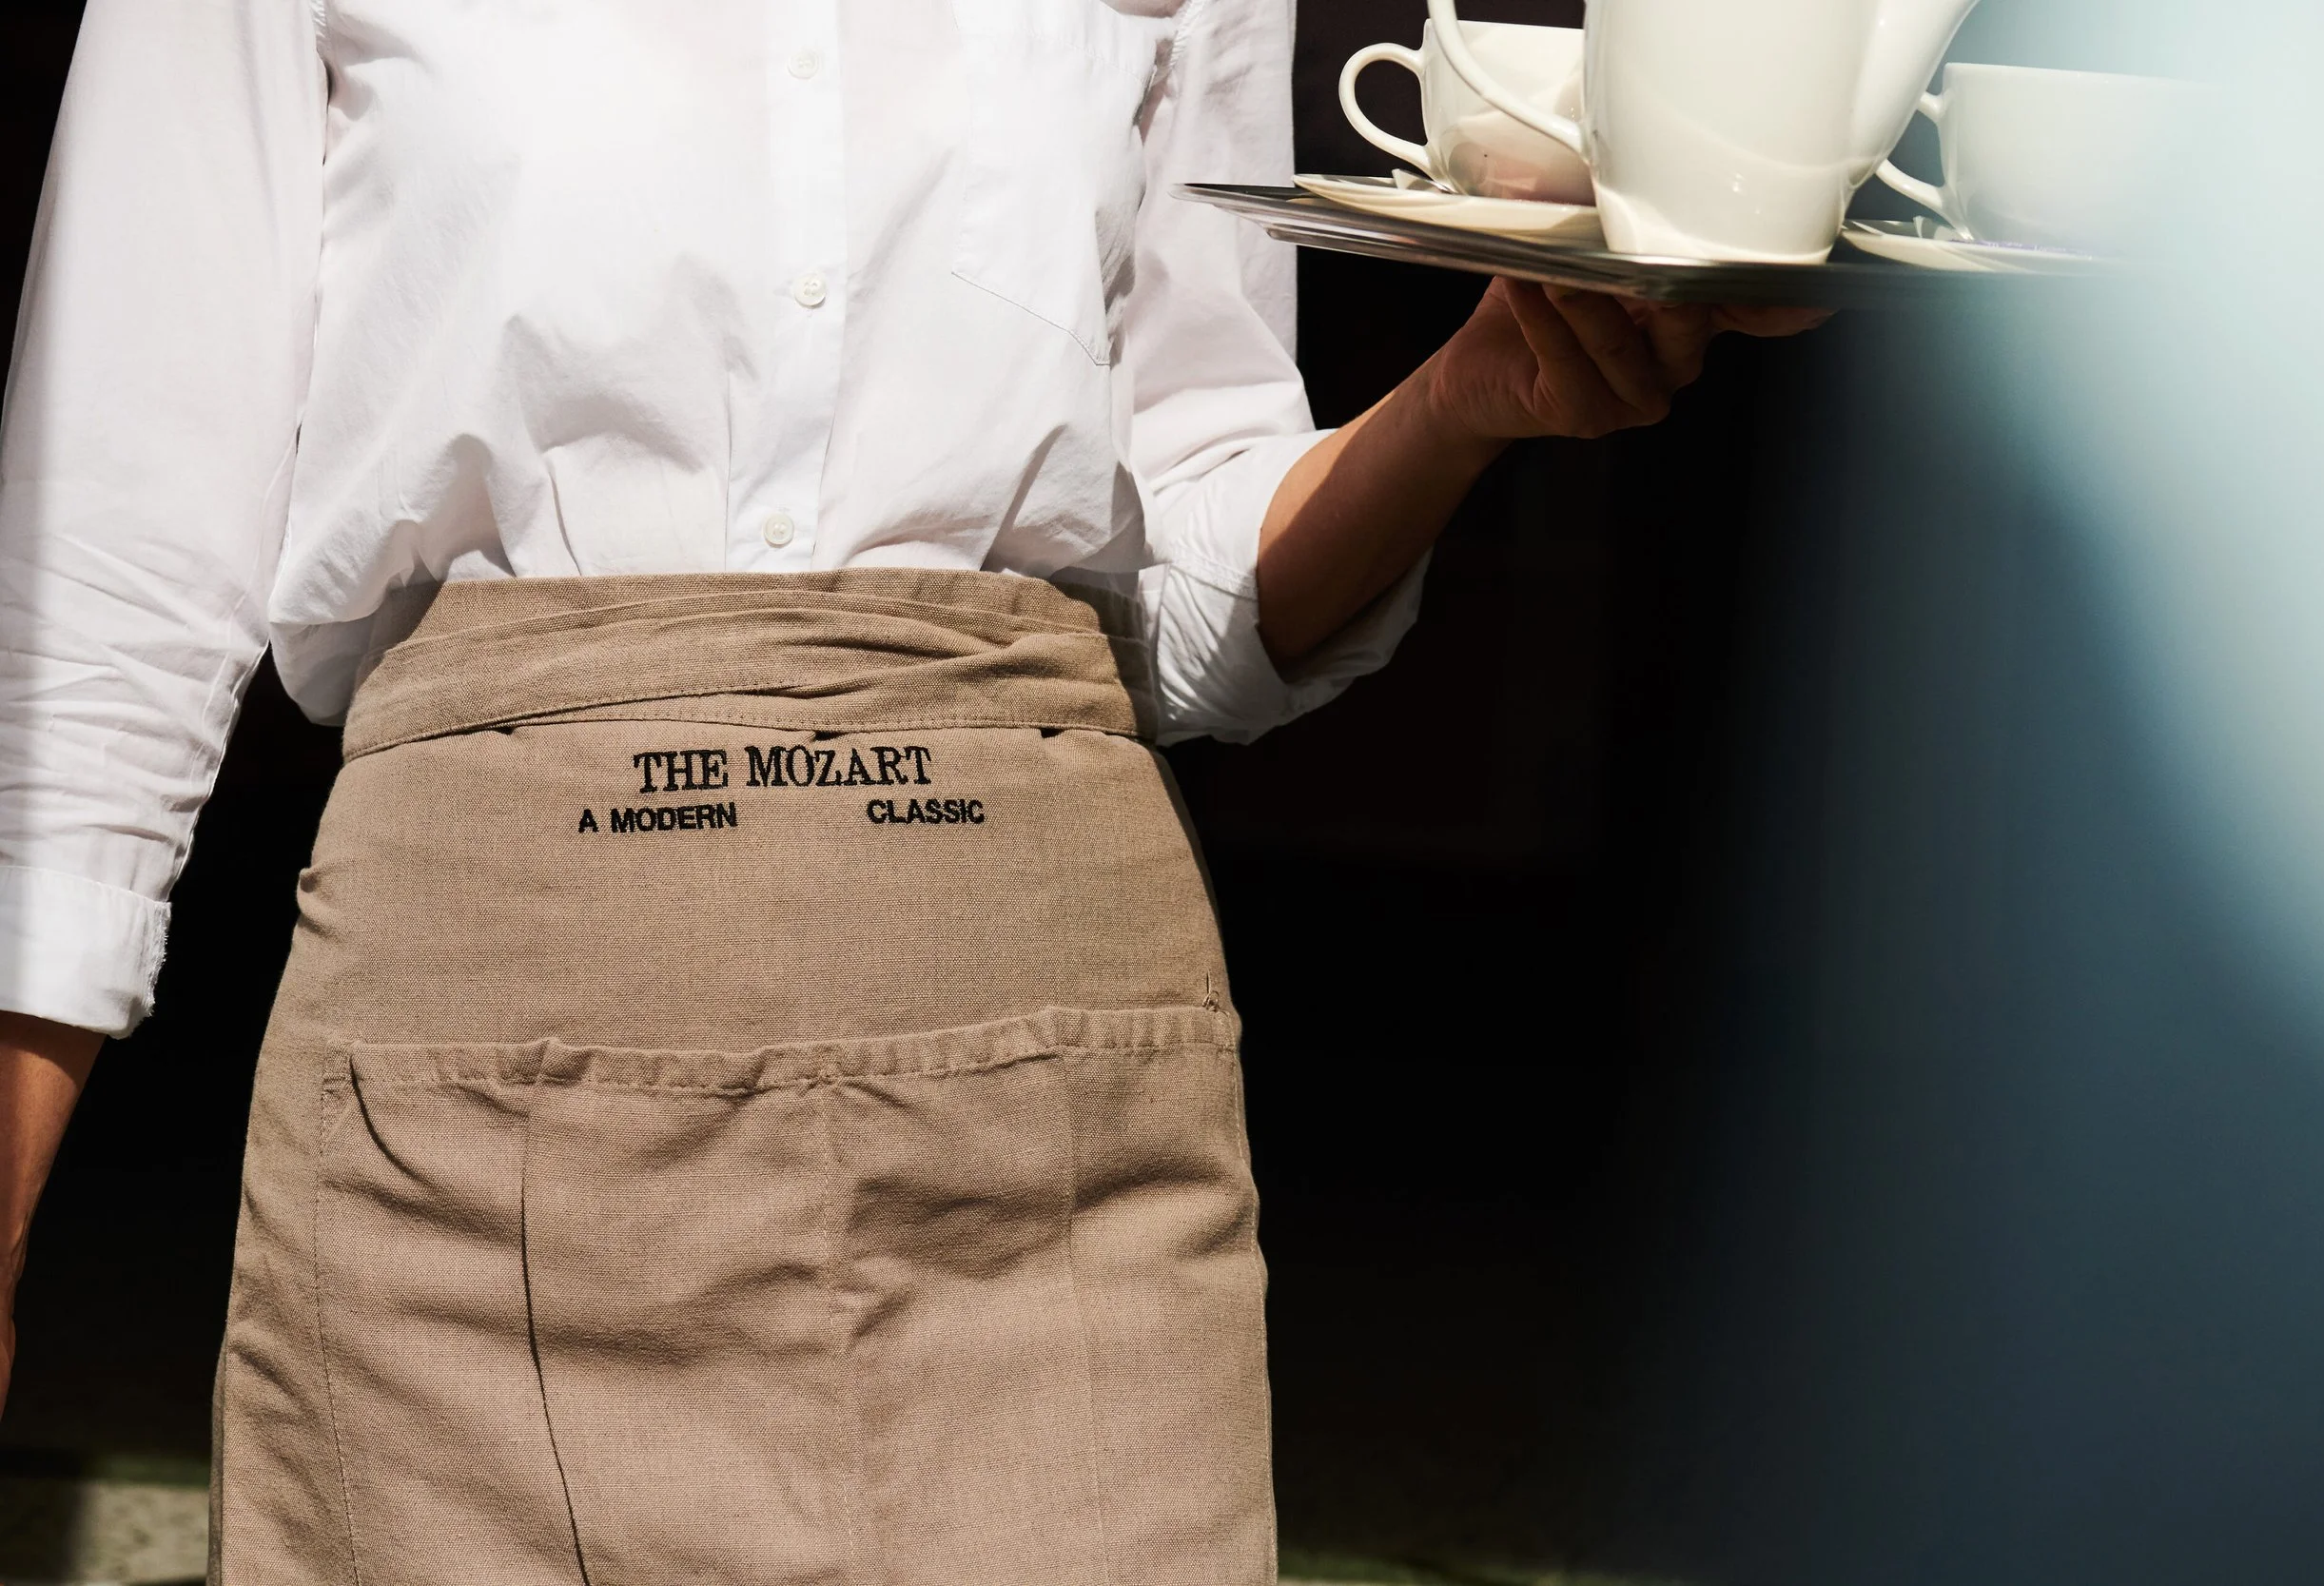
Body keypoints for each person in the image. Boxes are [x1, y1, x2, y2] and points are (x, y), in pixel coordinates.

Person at [0, 0, 1814, 1577]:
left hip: (1056, 1153)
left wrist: (1465, 401)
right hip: (468, 1148)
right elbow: (115, 557)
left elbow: (1182, 596)